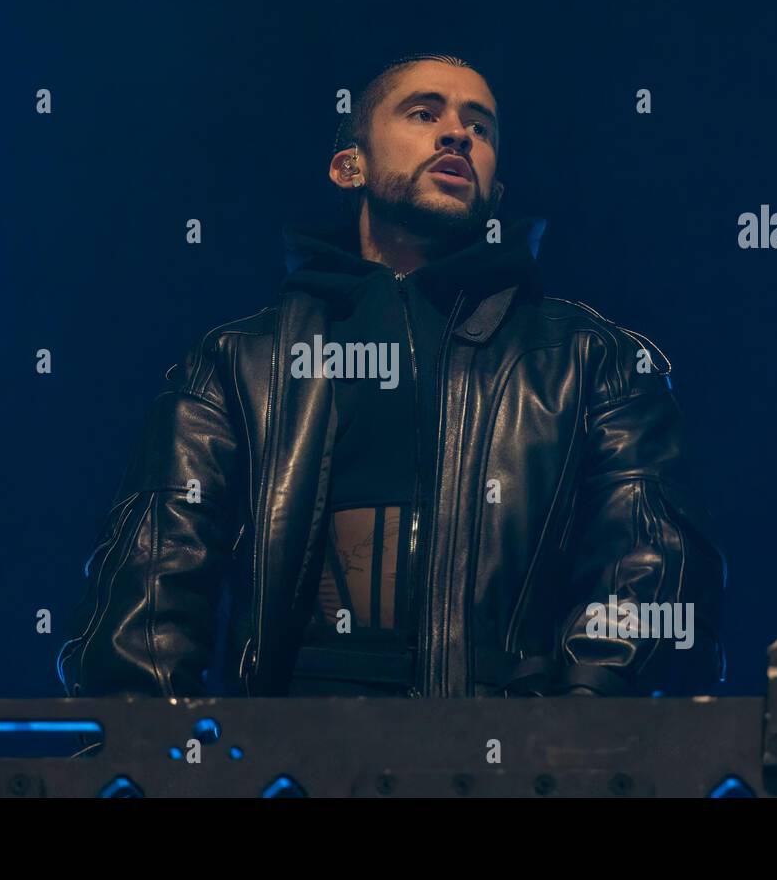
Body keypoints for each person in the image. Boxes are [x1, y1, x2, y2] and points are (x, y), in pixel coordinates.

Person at [57, 53, 726, 700]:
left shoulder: (589, 356)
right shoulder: (239, 362)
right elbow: (153, 577)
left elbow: (650, 560)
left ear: (496, 189)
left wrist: (579, 725)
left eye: (481, 126)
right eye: (423, 113)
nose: (458, 132)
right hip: (290, 760)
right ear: (351, 166)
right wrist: (149, 745)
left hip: (512, 762)